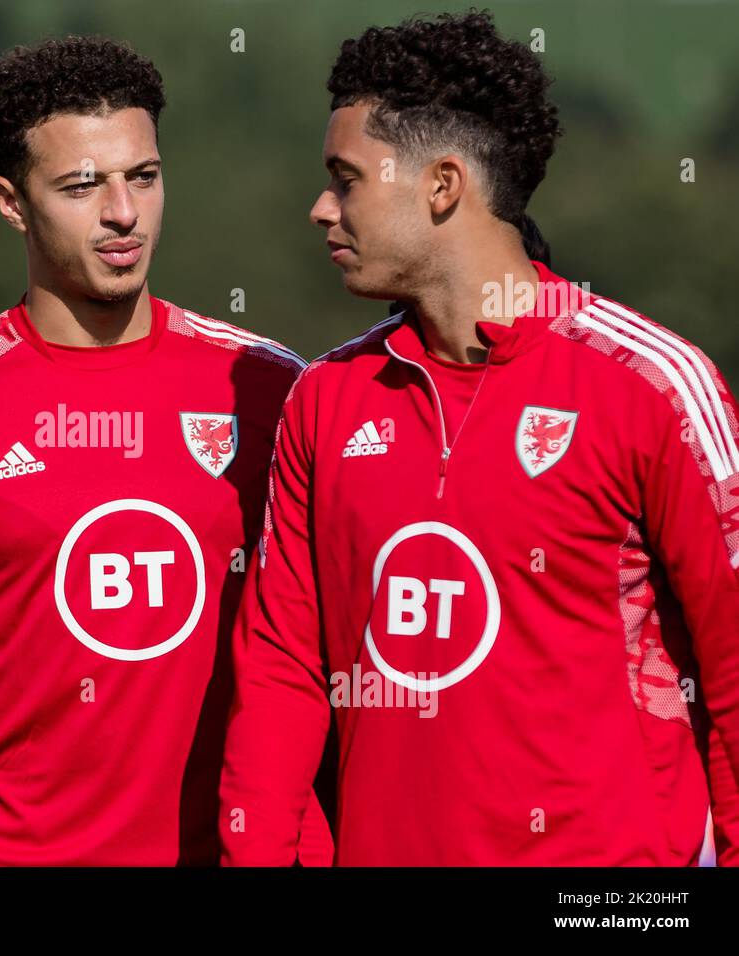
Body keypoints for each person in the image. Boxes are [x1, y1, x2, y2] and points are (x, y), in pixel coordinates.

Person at [219, 10, 739, 866]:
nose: (321, 210)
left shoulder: (653, 382)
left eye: (345, 180)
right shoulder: (325, 399)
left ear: (442, 185)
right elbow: (281, 674)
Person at [0, 36, 306, 865]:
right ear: (9, 201)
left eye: (143, 176)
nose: (124, 214)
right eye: (81, 186)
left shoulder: (274, 390)